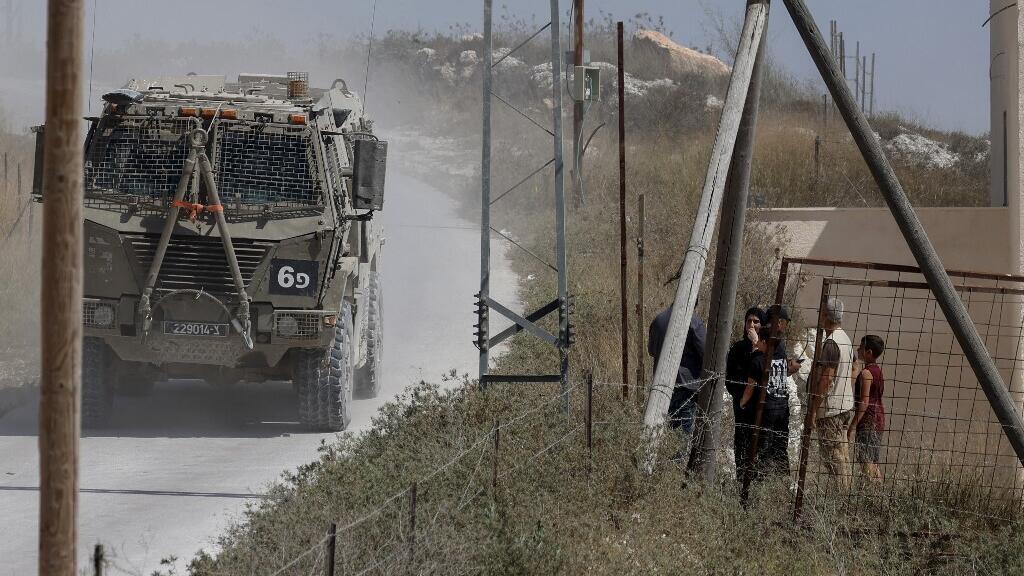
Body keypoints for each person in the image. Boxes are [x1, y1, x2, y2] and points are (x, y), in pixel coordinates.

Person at [808, 297, 856, 490]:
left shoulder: (831, 343)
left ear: (827, 316)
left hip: (831, 411)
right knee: (843, 457)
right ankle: (847, 495)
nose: (819, 316)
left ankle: (842, 499)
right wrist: (845, 389)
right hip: (844, 406)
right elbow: (854, 367)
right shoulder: (845, 338)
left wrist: (813, 410)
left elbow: (826, 379)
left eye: (821, 312)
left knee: (834, 459)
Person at [738, 326, 791, 479]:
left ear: (764, 341)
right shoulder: (781, 358)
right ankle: (783, 479)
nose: (757, 342)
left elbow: (750, 387)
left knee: (764, 448)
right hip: (783, 409)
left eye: (759, 339)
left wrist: (742, 402)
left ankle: (762, 480)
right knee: (780, 448)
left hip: (767, 411)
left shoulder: (758, 361)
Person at [648, 304, 706, 434]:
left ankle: (670, 453)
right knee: (686, 431)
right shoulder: (694, 322)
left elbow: (651, 351)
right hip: (686, 385)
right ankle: (683, 454)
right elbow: (707, 353)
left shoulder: (658, 320)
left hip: (661, 383)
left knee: (669, 429)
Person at [726, 306, 765, 480]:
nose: (751, 324)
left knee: (759, 445)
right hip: (742, 406)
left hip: (761, 406)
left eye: (756, 321)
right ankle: (741, 479)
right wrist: (739, 397)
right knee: (741, 442)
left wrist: (756, 345)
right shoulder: (738, 348)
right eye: (749, 321)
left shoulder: (766, 349)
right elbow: (730, 378)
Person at [849, 335, 886, 483]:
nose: (858, 349)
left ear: (869, 352)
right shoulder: (878, 370)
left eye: (861, 347)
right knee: (873, 460)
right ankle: (879, 491)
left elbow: (864, 402)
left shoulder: (866, 373)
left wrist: (852, 426)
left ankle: (873, 492)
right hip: (879, 418)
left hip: (868, 421)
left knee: (866, 460)